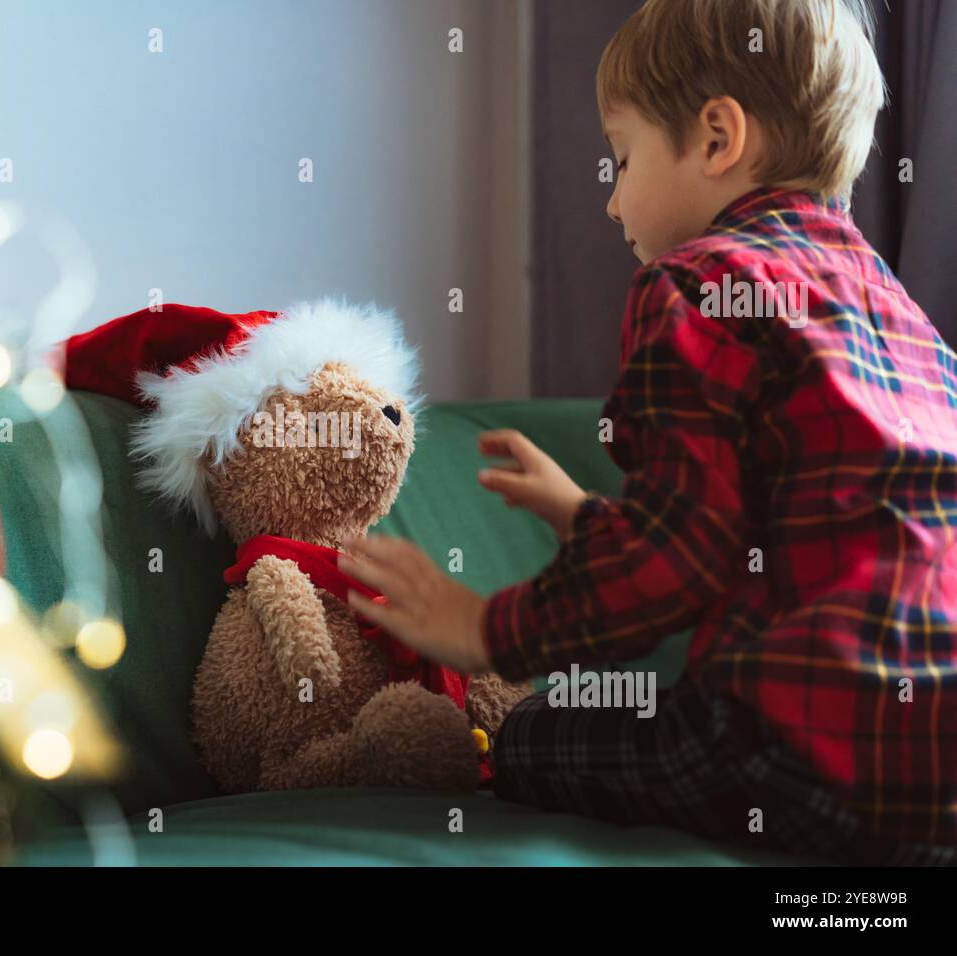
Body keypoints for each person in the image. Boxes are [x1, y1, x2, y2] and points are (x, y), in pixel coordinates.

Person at [339, 0, 957, 864]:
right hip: (935, 771)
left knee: (535, 729)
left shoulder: (697, 283)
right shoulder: (902, 317)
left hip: (799, 757)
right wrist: (588, 522)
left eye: (620, 158)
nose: (611, 201)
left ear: (715, 139)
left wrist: (485, 628)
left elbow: (682, 560)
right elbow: (749, 531)